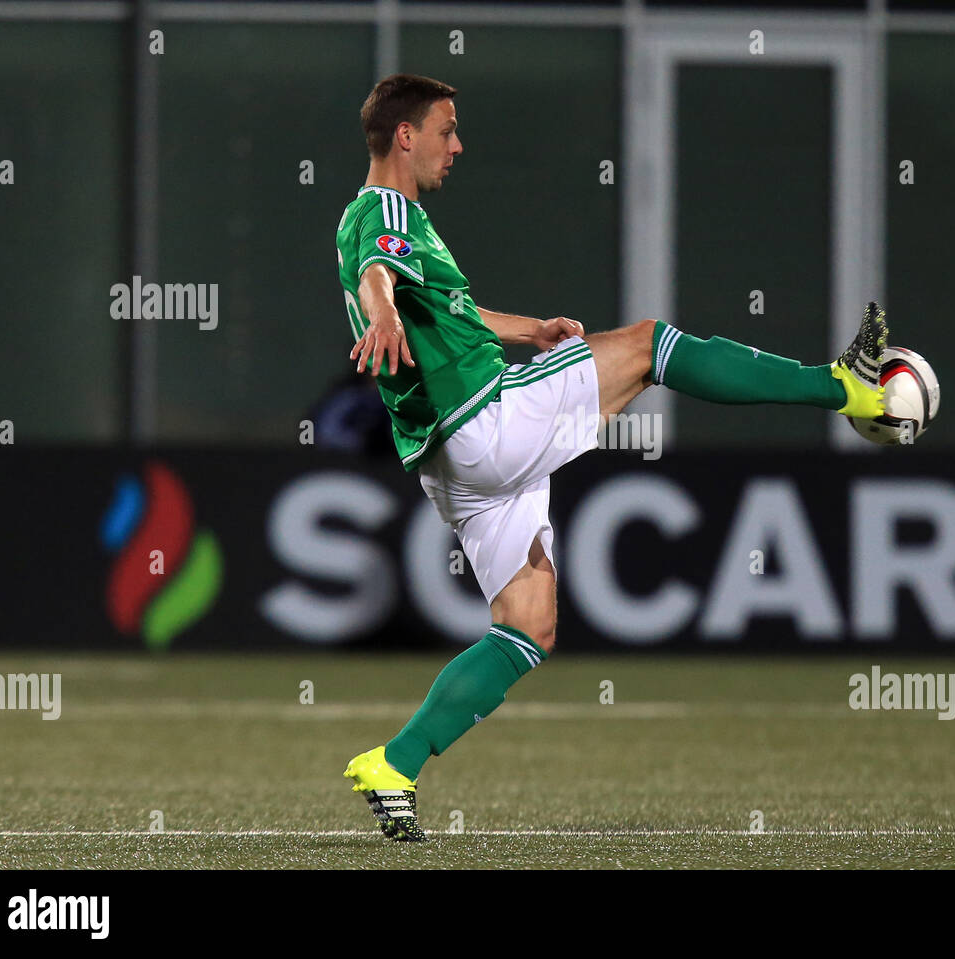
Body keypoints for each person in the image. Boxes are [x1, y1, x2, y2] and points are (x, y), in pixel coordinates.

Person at [335, 74, 889, 840]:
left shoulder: (381, 219)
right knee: (650, 345)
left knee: (527, 623)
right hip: (484, 421)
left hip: (452, 466)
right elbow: (380, 279)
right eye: (447, 129)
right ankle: (842, 387)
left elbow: (445, 306)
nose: (457, 145)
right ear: (405, 136)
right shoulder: (387, 210)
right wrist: (385, 311)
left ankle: (394, 764)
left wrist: (526, 328)